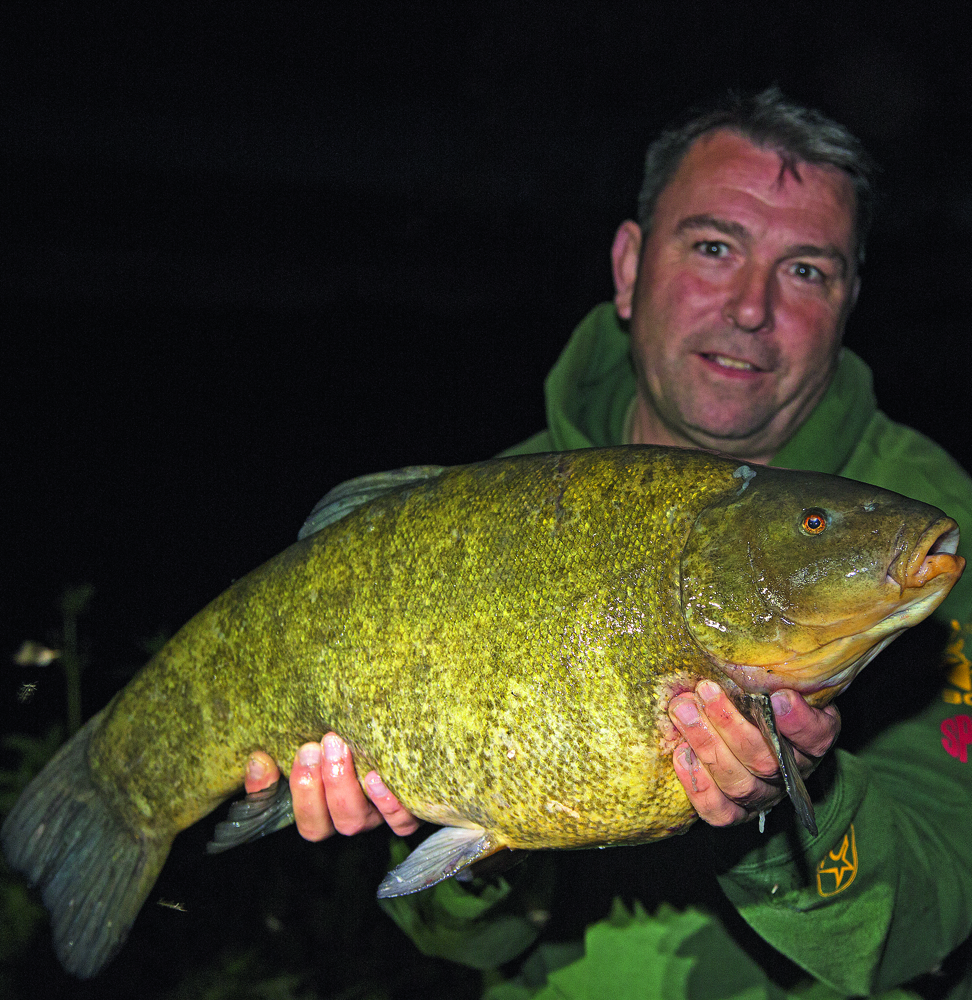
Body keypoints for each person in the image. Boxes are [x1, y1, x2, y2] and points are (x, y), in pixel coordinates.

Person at [245, 89, 972, 997]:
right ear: (628, 267)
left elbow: (931, 919)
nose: (751, 308)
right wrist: (452, 840)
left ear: (849, 301)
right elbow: (457, 943)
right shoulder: (478, 520)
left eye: (805, 270)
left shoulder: (934, 523)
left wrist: (788, 810)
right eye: (714, 248)